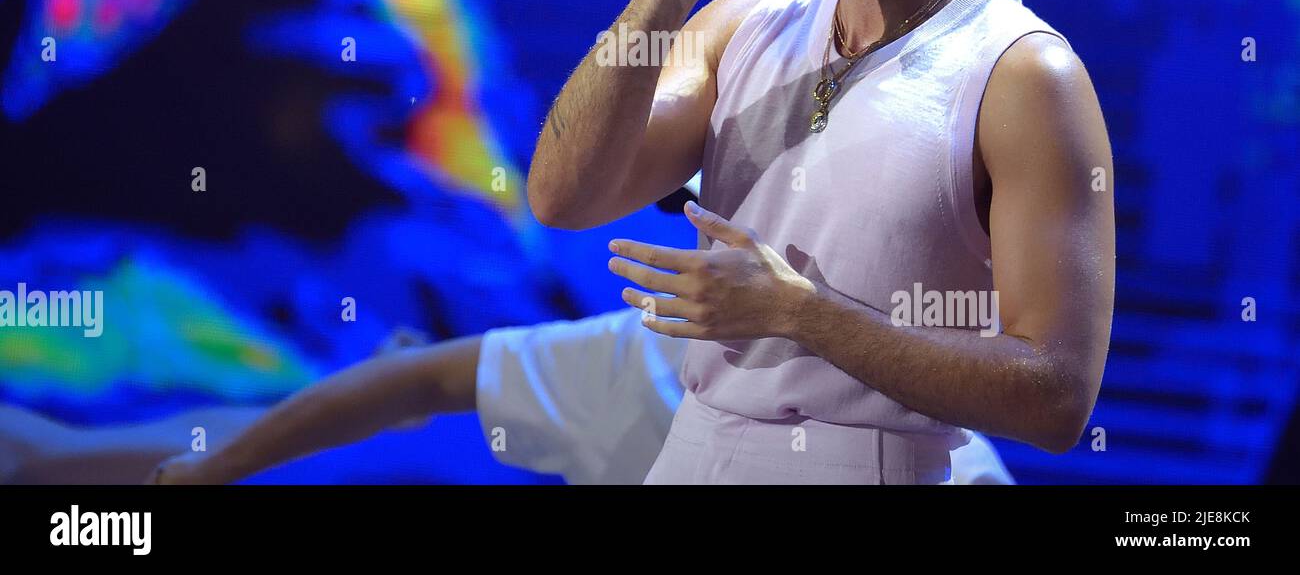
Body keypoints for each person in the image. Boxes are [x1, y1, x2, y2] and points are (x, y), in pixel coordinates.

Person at [526, 0, 1116, 484]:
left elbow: (1056, 395)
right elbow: (562, 195)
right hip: (691, 451)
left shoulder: (1022, 71)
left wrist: (801, 314)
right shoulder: (742, 21)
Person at [2, 308, 1013, 484]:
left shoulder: (950, 459)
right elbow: (432, 381)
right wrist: (218, 469)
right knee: (50, 461)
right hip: (409, 439)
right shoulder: (657, 372)